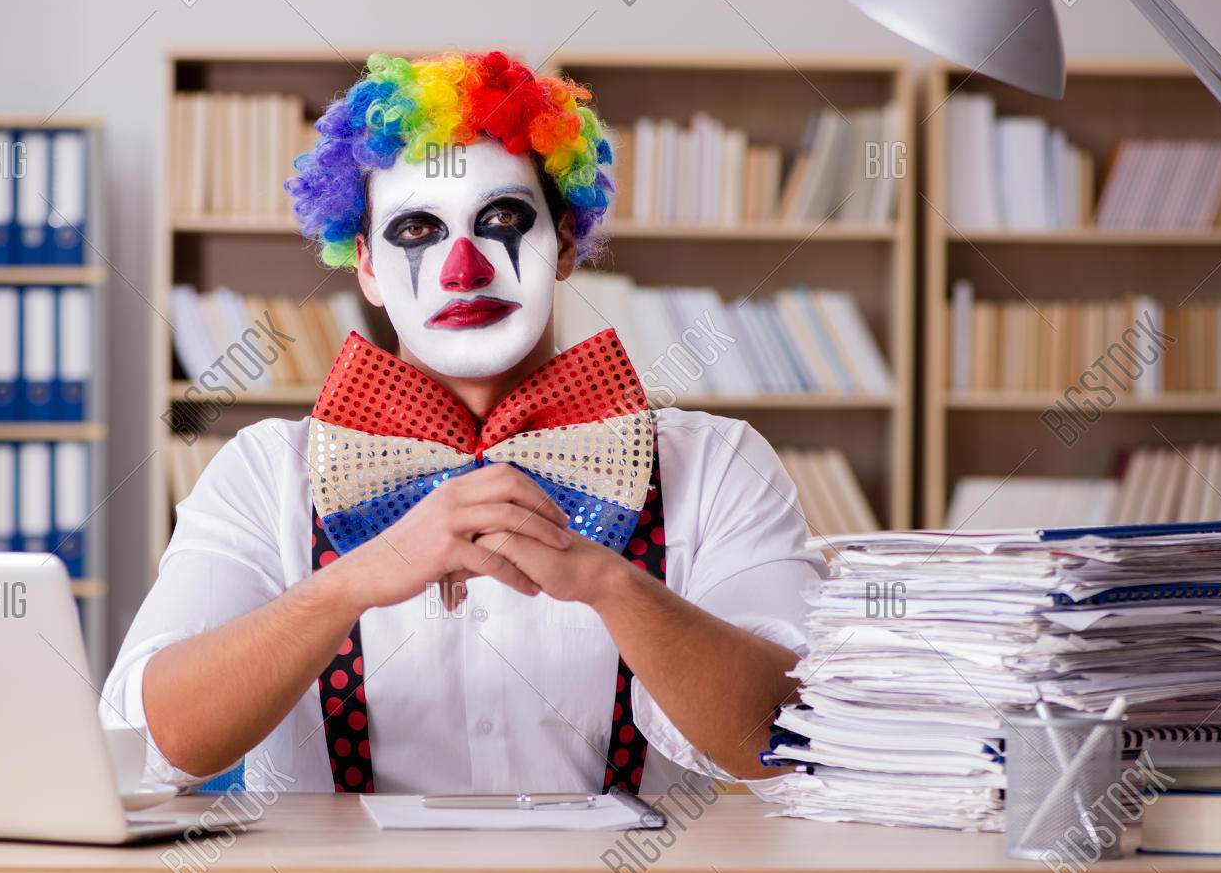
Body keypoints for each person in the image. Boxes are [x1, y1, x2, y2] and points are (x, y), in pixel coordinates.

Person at [102, 50, 825, 796]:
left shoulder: (716, 463)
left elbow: (793, 737)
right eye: (417, 230)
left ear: (567, 243)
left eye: (503, 218)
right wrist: (355, 580)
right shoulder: (263, 474)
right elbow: (149, 750)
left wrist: (611, 584)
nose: (463, 269)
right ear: (368, 268)